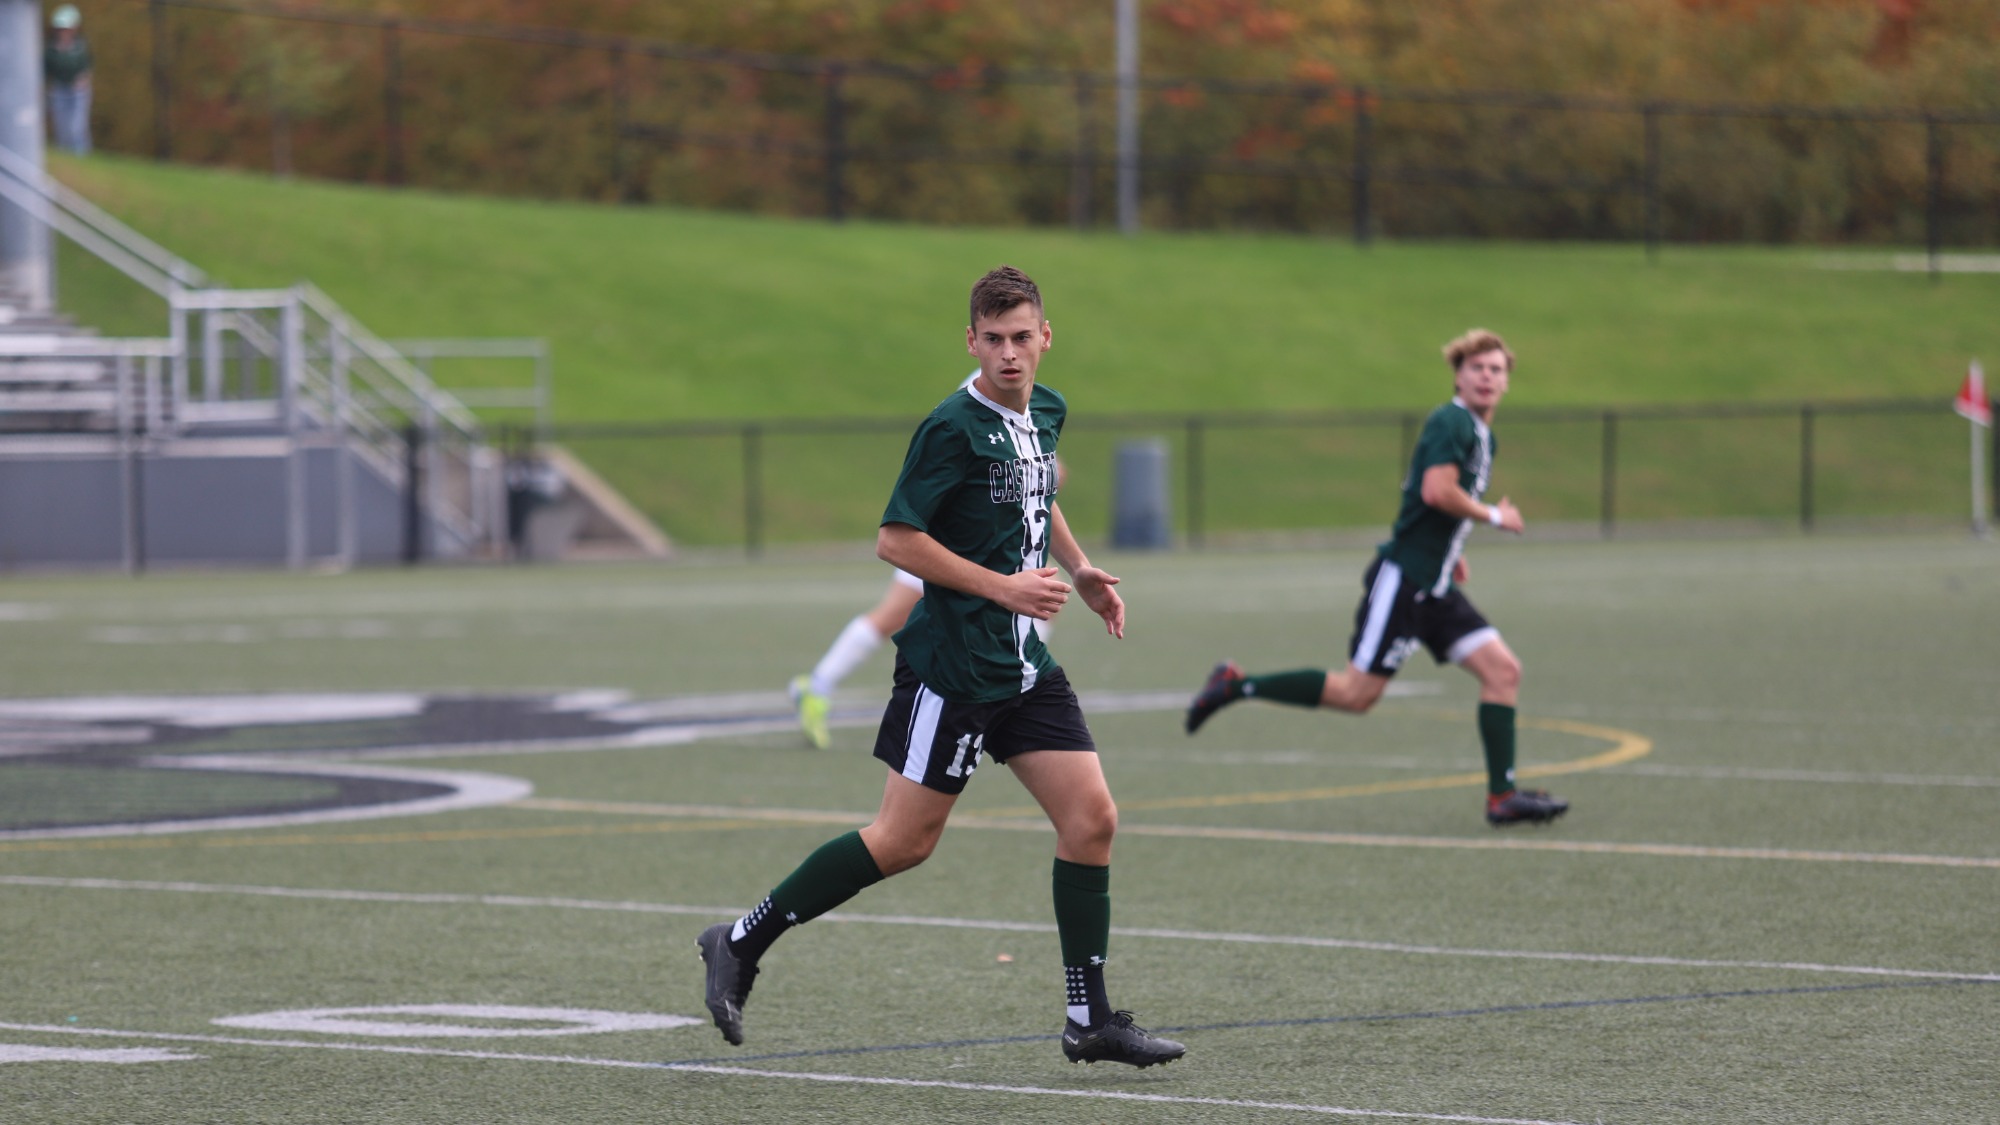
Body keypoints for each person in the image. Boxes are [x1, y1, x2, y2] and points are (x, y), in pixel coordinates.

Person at [700, 265, 1185, 1068]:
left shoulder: (1048, 410)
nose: (1008, 354)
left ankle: (1088, 1017)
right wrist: (1005, 587)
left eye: (1021, 337)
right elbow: (896, 539)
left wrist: (1082, 567)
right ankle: (740, 940)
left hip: (1023, 664)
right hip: (952, 669)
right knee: (902, 841)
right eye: (992, 340)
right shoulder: (951, 427)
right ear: (971, 341)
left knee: (1092, 818)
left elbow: (1038, 491)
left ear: (1045, 337)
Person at [1183, 328, 1569, 828]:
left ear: (1508, 381)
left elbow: (1427, 498)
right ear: (1458, 375)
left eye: (1497, 370)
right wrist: (1494, 516)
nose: (1487, 377)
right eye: (1477, 368)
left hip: (1435, 584)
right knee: (1356, 694)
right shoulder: (1451, 420)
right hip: (1405, 581)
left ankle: (1502, 796)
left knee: (1503, 672)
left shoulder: (1479, 432)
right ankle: (1236, 686)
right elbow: (1435, 490)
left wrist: (1451, 553)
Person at [43, 5, 93, 157]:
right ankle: (64, 156)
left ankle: (81, 156)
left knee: (77, 126)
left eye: (66, 29)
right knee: (62, 126)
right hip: (59, 91)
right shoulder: (51, 50)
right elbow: (45, 71)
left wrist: (82, 81)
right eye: (60, 29)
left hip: (78, 92)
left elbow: (87, 68)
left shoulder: (80, 47)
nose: (63, 32)